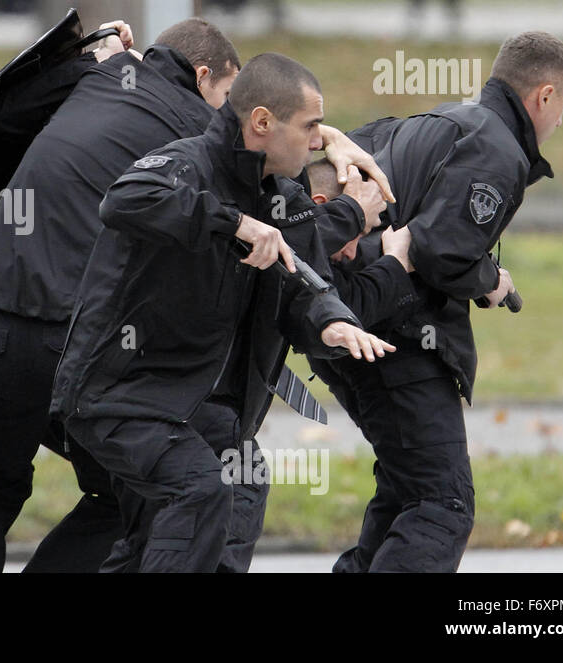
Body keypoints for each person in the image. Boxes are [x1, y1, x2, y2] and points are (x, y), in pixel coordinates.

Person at [0, 18, 393, 573]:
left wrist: (320, 140)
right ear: (207, 79)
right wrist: (347, 207)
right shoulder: (191, 136)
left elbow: (280, 237)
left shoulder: (100, 82)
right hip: (79, 340)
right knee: (151, 494)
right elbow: (256, 214)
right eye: (225, 95)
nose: (223, 109)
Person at [53, 52, 397, 573]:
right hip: (119, 389)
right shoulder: (185, 164)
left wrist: (334, 321)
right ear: (261, 122)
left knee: (237, 482)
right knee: (200, 489)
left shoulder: (284, 199)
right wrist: (234, 224)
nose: (317, 141)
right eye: (309, 127)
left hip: (192, 399)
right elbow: (124, 200)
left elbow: (303, 285)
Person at [310, 31, 563, 572]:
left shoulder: (448, 122)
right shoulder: (497, 149)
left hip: (345, 317)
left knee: (408, 495)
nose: (561, 121)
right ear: (543, 96)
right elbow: (438, 254)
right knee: (441, 506)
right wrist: (490, 280)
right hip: (395, 337)